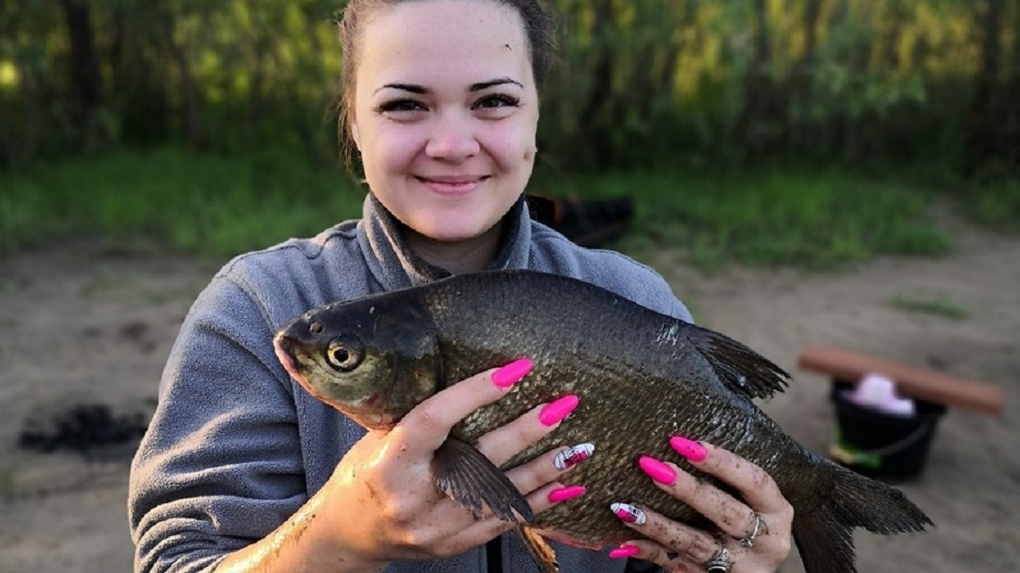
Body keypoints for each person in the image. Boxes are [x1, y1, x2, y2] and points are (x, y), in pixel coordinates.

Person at [128, 1, 795, 572]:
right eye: (405, 104)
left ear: (536, 113)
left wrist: (729, 557)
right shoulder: (257, 309)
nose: (451, 144)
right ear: (354, 120)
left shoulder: (637, 297)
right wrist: (342, 533)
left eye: (494, 101)